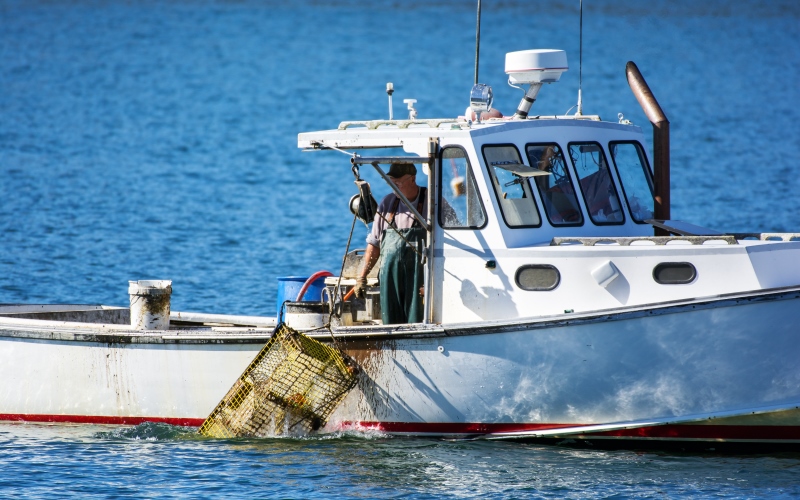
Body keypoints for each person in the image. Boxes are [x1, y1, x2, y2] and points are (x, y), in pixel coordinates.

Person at [353, 163, 427, 325]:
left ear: (413, 179)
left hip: (419, 280)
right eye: (391, 182)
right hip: (390, 280)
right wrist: (362, 278)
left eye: (398, 183)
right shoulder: (388, 203)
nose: (394, 187)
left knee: (417, 322)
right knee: (390, 325)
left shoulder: (433, 202)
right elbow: (374, 244)